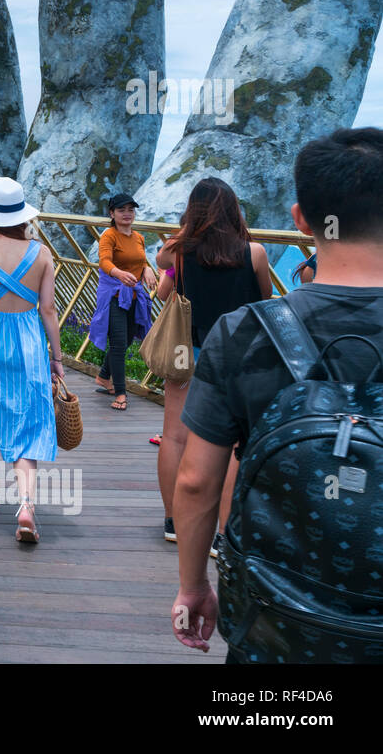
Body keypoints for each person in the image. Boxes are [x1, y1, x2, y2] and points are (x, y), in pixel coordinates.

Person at [172, 127, 383, 659]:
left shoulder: (244, 332)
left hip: (275, 617)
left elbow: (197, 481)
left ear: (302, 219)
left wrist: (194, 586)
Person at [153, 178, 271, 550]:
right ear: (234, 210)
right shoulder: (255, 252)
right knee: (236, 442)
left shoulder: (179, 251)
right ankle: (223, 533)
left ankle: (173, 521)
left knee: (174, 435)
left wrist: (189, 229)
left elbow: (161, 262)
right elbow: (265, 296)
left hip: (188, 350)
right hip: (238, 355)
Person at [0, 178, 62, 543]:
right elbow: (48, 310)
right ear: (23, 216)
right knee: (28, 421)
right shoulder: (41, 254)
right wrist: (58, 358)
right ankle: (25, 505)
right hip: (27, 339)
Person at [91, 193, 158, 410]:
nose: (127, 214)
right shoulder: (109, 235)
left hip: (134, 296)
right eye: (122, 210)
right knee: (119, 343)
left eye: (130, 209)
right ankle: (120, 393)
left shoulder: (138, 237)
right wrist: (119, 273)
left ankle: (103, 376)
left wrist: (147, 268)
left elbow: (140, 260)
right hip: (114, 295)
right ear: (112, 214)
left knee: (128, 340)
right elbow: (104, 261)